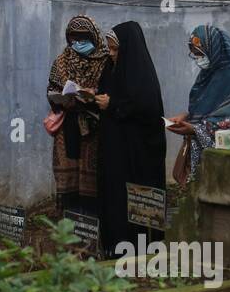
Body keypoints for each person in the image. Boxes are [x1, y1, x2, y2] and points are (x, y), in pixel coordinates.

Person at [94, 21, 166, 254]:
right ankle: (114, 247)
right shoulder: (110, 69)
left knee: (135, 200)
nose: (112, 54)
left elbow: (147, 109)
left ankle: (141, 250)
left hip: (137, 156)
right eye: (110, 49)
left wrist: (113, 104)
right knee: (114, 198)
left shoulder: (140, 74)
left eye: (116, 49)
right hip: (115, 152)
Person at [166, 25, 230, 182]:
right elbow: (208, 108)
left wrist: (195, 128)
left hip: (228, 155)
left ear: (213, 49)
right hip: (201, 153)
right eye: (194, 54)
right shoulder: (206, 75)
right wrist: (186, 117)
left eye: (199, 53)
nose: (197, 58)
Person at [47, 15, 110, 215]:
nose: (79, 44)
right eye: (74, 39)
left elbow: (111, 91)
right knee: (68, 173)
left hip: (95, 127)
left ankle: (92, 222)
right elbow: (51, 89)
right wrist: (62, 98)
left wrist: (92, 94)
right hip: (68, 126)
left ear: (95, 38)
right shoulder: (62, 61)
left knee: (91, 177)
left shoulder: (105, 62)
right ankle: (68, 220)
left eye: (84, 39)